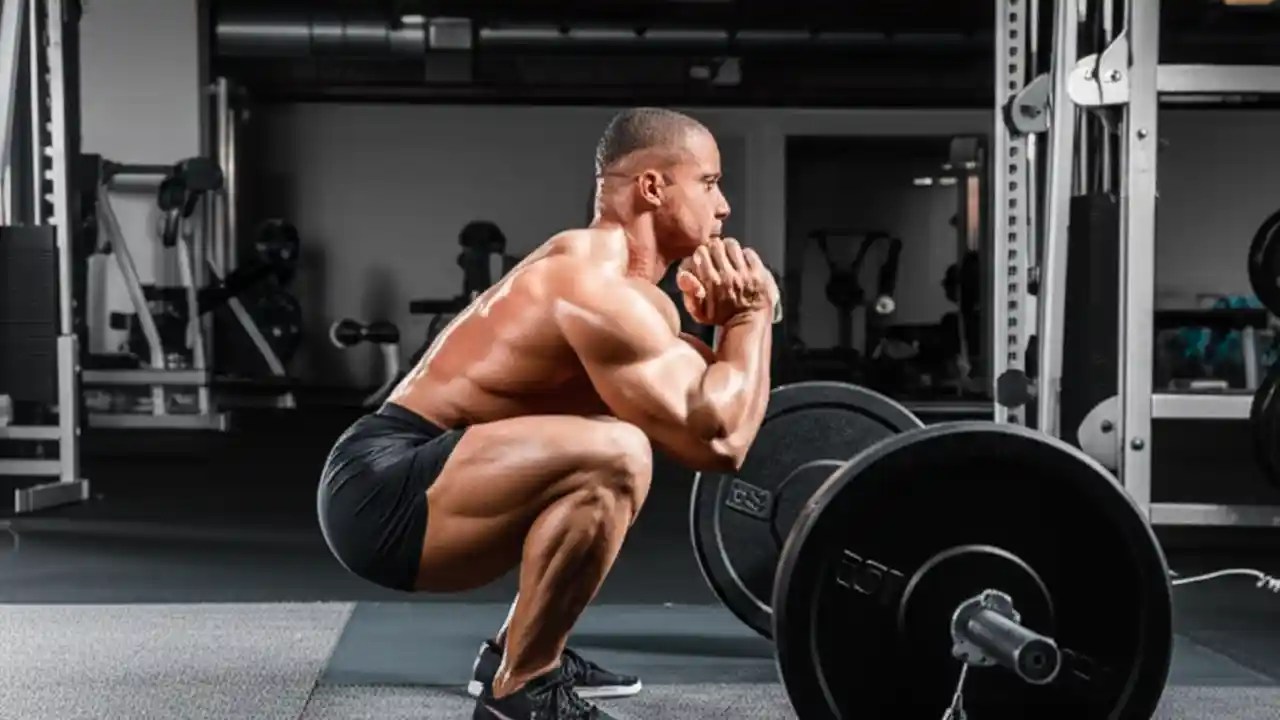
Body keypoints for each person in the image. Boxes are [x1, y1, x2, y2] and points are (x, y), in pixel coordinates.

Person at [317, 107, 777, 719]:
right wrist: (748, 319)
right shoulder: (593, 288)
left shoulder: (616, 284)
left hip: (424, 474)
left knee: (614, 438)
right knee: (617, 455)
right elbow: (719, 440)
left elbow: (716, 395)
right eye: (710, 184)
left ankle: (518, 652)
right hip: (386, 494)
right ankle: (523, 688)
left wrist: (736, 327)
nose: (723, 209)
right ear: (652, 187)